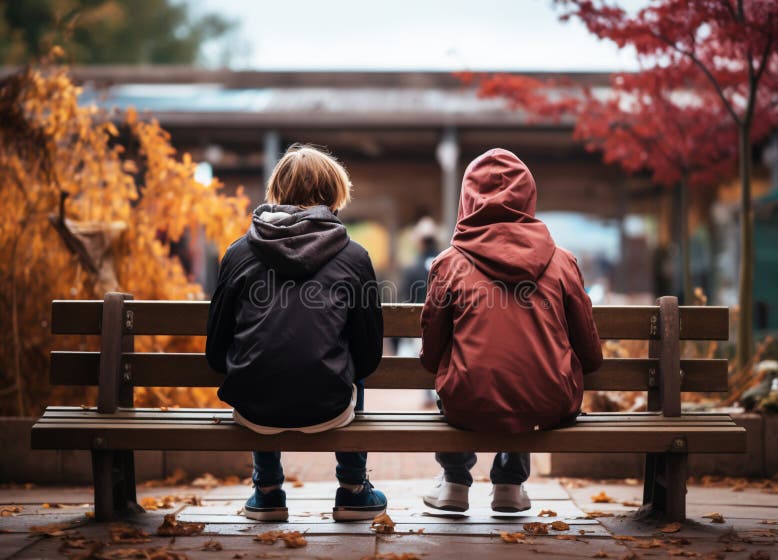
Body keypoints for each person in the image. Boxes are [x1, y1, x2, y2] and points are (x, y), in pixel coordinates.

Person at [206, 143, 387, 522]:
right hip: (330, 407)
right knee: (351, 354)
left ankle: (267, 490)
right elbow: (369, 355)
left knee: (262, 355)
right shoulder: (354, 257)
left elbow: (215, 350)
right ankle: (353, 489)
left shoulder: (238, 253)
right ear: (335, 193)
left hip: (254, 407)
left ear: (278, 191)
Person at [419, 148, 603, 513]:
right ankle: (510, 484)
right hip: (548, 401)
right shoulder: (562, 262)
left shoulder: (449, 263)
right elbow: (592, 355)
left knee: (464, 376)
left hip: (468, 400)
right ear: (527, 197)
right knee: (528, 373)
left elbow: (431, 353)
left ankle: (454, 482)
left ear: (467, 199)